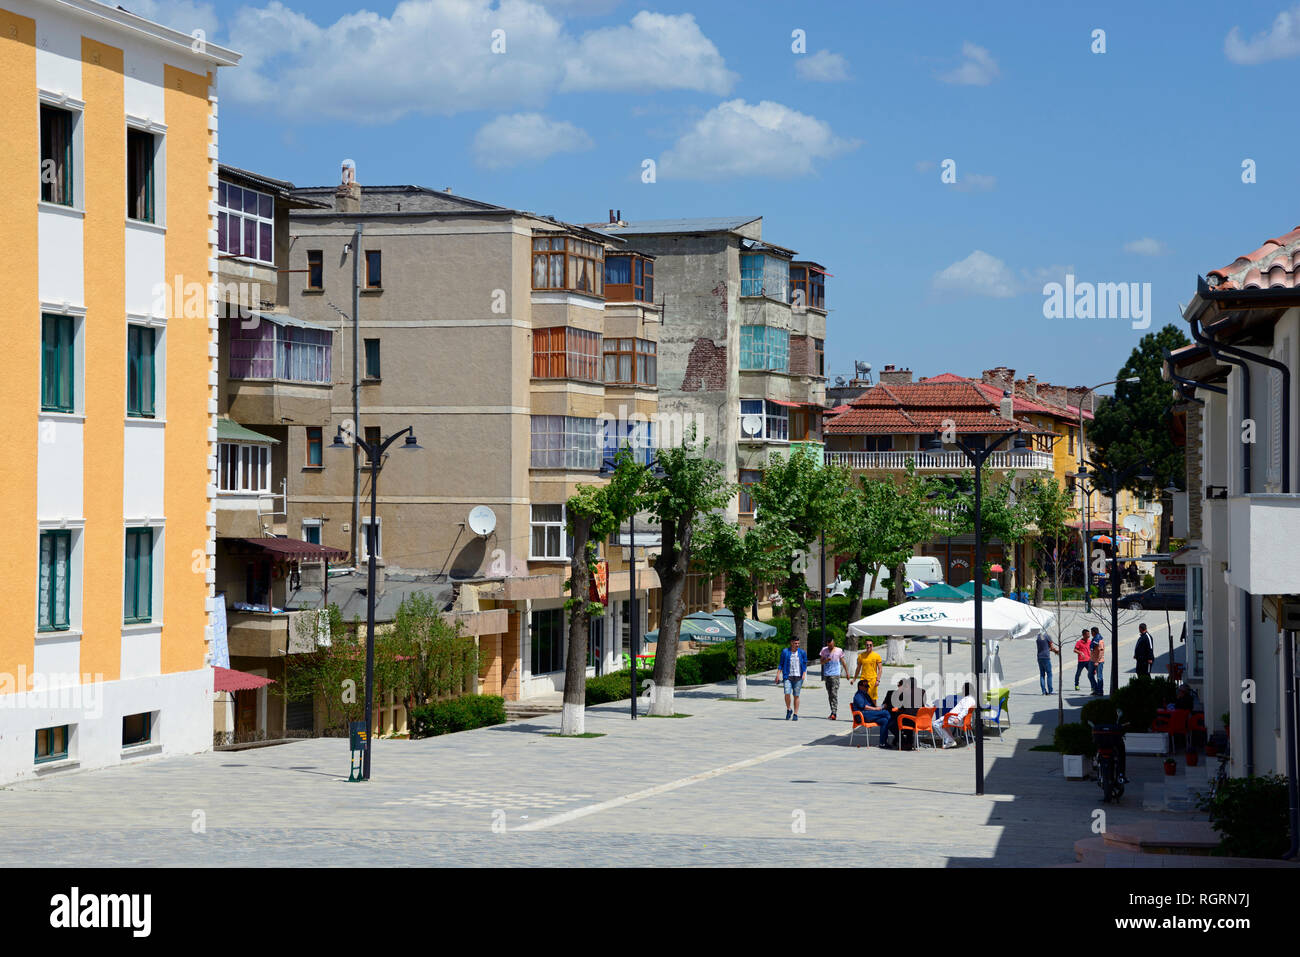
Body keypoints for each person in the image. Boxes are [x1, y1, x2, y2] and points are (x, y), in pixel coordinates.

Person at [934, 682, 977, 748]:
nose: (962, 691)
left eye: (963, 689)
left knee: (935, 724)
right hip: (954, 717)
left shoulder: (968, 700)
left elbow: (965, 710)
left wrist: (958, 718)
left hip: (954, 718)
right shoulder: (971, 699)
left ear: (966, 690)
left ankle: (949, 741)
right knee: (943, 725)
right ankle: (951, 740)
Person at [850, 680, 891, 746]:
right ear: (860, 687)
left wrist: (880, 707)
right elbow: (863, 706)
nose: (867, 688)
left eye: (868, 686)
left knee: (884, 720)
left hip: (869, 714)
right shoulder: (858, 695)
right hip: (862, 715)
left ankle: (882, 743)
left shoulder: (866, 695)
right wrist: (876, 709)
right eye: (866, 686)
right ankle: (896, 730)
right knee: (886, 713)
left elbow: (872, 706)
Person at [778, 638, 806, 721]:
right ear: (791, 643)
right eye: (795, 643)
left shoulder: (802, 652)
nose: (797, 645)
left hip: (798, 677)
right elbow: (781, 664)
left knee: (796, 695)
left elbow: (804, 664)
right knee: (787, 693)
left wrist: (804, 674)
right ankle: (789, 709)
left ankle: (795, 714)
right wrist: (777, 675)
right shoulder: (785, 652)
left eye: (798, 643)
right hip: (788, 676)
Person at [819, 635, 846, 720]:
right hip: (827, 674)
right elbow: (821, 662)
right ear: (827, 644)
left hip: (835, 675)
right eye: (829, 645)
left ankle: (834, 712)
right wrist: (826, 660)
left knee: (834, 693)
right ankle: (832, 711)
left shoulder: (839, 650)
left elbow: (843, 661)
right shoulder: (824, 650)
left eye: (832, 644)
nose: (831, 646)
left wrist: (847, 673)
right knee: (830, 694)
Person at [852, 638, 884, 705]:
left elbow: (880, 669)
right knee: (862, 697)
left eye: (870, 645)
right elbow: (858, 668)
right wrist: (854, 679)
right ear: (865, 646)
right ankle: (863, 712)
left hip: (873, 680)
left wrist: (878, 680)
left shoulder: (877, 656)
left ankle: (875, 712)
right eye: (867, 645)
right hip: (863, 680)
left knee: (873, 698)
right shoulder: (861, 656)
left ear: (873, 646)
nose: (868, 646)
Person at [1089, 627, 1106, 695]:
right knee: (1090, 675)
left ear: (1094, 632)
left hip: (1098, 662)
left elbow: (1101, 652)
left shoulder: (1100, 641)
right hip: (1092, 660)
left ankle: (1100, 691)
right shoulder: (1094, 639)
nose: (1091, 633)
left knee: (1099, 677)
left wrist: (1097, 661)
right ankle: (1095, 689)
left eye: (1091, 632)